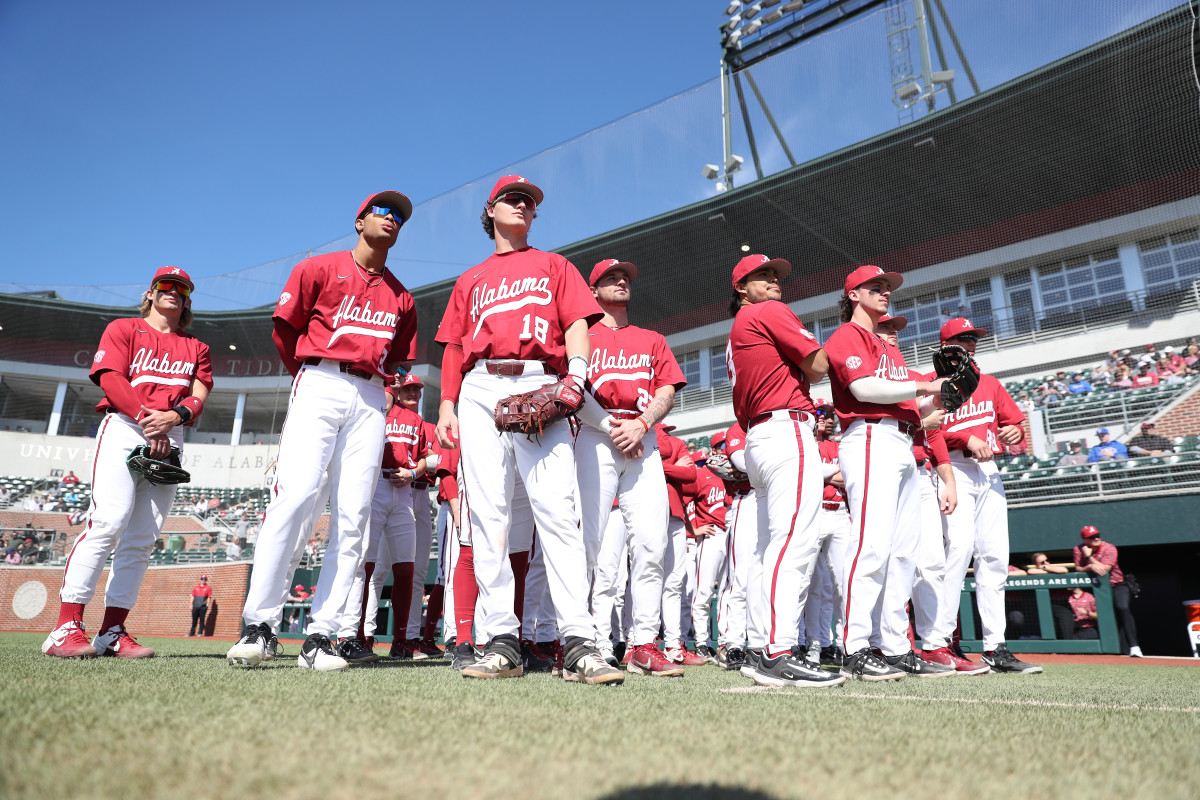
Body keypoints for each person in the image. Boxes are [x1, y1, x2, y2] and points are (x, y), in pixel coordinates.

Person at [433, 175, 621, 685]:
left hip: (540, 381)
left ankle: (579, 641)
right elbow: (453, 346)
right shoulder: (470, 279)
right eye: (513, 199)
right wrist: (447, 403)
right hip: (478, 387)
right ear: (490, 211)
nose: (523, 205)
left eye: (530, 202)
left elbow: (579, 320)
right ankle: (502, 641)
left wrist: (578, 375)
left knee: (558, 513)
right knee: (488, 516)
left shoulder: (555, 264)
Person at [227, 191, 418, 672]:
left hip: (372, 395)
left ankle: (322, 634)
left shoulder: (402, 295)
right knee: (294, 498)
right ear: (359, 221)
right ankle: (260, 625)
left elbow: (397, 361)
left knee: (353, 515)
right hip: (320, 379)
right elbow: (285, 330)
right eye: (383, 211)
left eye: (399, 217)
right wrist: (309, 374)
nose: (392, 219)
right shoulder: (317, 268)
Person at [44, 267, 213, 659]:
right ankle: (65, 627)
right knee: (108, 522)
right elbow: (110, 378)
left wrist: (174, 419)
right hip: (126, 425)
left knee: (141, 537)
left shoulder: (197, 347)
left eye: (182, 289)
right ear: (150, 293)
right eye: (165, 286)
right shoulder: (124, 328)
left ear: (187, 300)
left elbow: (199, 394)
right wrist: (147, 419)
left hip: (169, 432)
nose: (173, 291)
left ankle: (112, 632)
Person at [824, 266, 958, 682]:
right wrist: (927, 388)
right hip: (868, 437)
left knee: (903, 553)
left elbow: (913, 411)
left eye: (887, 288)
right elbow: (864, 390)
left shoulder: (889, 348)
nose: (885, 293)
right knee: (871, 546)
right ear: (853, 294)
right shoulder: (846, 336)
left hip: (900, 441)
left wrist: (948, 396)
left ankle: (895, 646)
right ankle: (855, 645)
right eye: (876, 288)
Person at [726, 254, 844, 688]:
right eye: (763, 275)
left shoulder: (737, 329)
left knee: (764, 552)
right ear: (742, 287)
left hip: (759, 434)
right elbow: (819, 365)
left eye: (776, 276)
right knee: (793, 544)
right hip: (786, 429)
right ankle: (778, 652)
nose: (774, 281)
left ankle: (760, 648)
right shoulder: (767, 311)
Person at [573, 258, 687, 676]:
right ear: (592, 289)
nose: (622, 281)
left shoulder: (651, 338)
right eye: (610, 278)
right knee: (590, 546)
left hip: (643, 436)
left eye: (626, 278)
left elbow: (668, 389)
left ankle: (642, 643)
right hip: (594, 435)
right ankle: (583, 641)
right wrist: (614, 427)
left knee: (652, 545)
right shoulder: (581, 335)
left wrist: (640, 425)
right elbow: (574, 389)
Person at [922, 318, 1041, 674]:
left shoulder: (989, 383)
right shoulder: (932, 385)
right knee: (957, 551)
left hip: (988, 472)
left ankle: (995, 646)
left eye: (973, 338)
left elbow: (1015, 425)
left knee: (994, 557)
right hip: (950, 469)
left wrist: (1014, 433)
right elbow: (930, 430)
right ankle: (940, 642)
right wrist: (963, 439)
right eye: (962, 338)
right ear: (946, 346)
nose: (970, 343)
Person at [339, 373, 428, 663]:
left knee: (406, 568)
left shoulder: (418, 421)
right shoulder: (379, 409)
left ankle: (401, 641)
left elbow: (424, 456)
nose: (413, 392)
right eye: (408, 388)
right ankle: (360, 636)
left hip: (403, 491)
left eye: (417, 388)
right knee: (365, 564)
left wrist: (413, 473)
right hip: (375, 485)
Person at [1074, 525, 1141, 656]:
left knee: (1122, 607)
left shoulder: (1109, 547)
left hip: (1117, 585)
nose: (1096, 538)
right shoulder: (1078, 549)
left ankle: (1134, 646)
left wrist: (1089, 558)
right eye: (1092, 537)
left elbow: (1105, 570)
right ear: (1085, 539)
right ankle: (1116, 650)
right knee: (1106, 616)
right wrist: (1090, 566)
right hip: (1097, 588)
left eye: (1097, 535)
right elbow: (1078, 568)